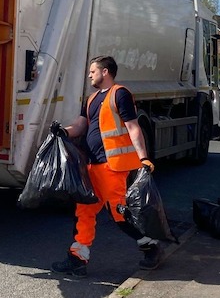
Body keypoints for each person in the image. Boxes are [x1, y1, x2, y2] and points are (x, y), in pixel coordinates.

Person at [50, 55, 162, 278]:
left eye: (93, 71)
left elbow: (133, 127)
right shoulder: (92, 99)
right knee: (84, 212)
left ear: (105, 72)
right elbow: (82, 124)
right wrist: (64, 131)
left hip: (113, 166)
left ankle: (152, 248)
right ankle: (78, 260)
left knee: (120, 213)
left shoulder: (120, 94)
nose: (90, 75)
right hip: (92, 166)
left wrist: (143, 158)